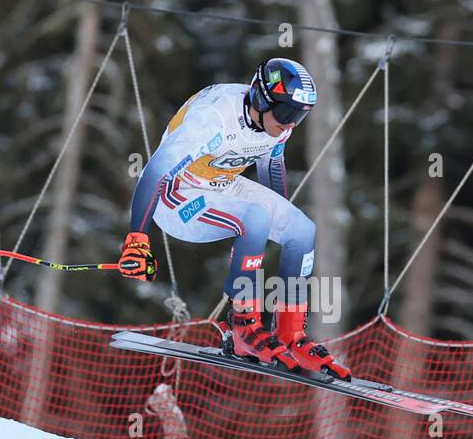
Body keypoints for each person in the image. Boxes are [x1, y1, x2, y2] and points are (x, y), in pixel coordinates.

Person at [117, 57, 349, 378]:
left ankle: (290, 334)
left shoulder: (276, 126)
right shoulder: (212, 118)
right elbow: (154, 170)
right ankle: (244, 329)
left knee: (300, 230)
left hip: (222, 184)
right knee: (254, 217)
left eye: (299, 116)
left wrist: (275, 227)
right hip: (177, 196)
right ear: (261, 99)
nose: (290, 124)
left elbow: (272, 166)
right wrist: (137, 239)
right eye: (285, 114)